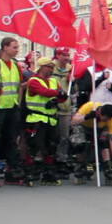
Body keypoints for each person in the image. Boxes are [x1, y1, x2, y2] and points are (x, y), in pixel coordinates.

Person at [0, 37, 27, 184]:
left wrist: (19, 104)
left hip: (12, 106)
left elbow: (19, 86)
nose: (17, 50)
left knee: (11, 139)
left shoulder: (16, 65)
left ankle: (11, 168)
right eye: (14, 47)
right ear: (5, 47)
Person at [22, 57, 68, 185]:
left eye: (52, 67)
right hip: (36, 118)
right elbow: (44, 92)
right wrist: (58, 94)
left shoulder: (54, 80)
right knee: (34, 146)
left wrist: (58, 98)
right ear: (41, 67)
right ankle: (29, 172)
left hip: (51, 119)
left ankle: (48, 173)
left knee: (51, 146)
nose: (51, 69)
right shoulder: (33, 81)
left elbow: (61, 97)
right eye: (48, 66)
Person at [70, 102, 112, 186]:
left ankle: (108, 168)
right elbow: (73, 121)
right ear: (100, 113)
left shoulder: (111, 120)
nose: (107, 120)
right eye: (105, 118)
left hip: (100, 129)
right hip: (83, 125)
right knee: (80, 144)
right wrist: (87, 116)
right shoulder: (89, 106)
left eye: (108, 119)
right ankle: (80, 168)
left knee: (104, 143)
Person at [51, 47, 74, 177]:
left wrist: (73, 81)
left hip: (65, 108)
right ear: (58, 56)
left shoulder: (71, 69)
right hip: (51, 107)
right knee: (52, 137)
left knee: (64, 137)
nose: (67, 57)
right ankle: (49, 161)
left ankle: (62, 161)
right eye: (64, 55)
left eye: (67, 55)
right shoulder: (49, 67)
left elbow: (75, 90)